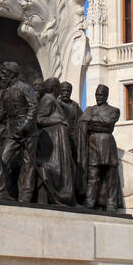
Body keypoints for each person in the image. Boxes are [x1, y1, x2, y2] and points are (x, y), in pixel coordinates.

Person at [0, 62, 39, 205]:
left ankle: (26, 194)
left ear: (12, 73)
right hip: (12, 132)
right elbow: (1, 113)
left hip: (28, 132)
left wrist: (25, 126)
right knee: (3, 159)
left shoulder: (25, 88)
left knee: (28, 164)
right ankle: (5, 192)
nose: (2, 75)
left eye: (4, 72)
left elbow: (33, 107)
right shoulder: (5, 92)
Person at [76, 85, 123, 211]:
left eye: (101, 95)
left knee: (111, 175)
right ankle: (90, 201)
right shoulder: (89, 109)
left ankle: (112, 203)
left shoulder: (114, 110)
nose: (98, 97)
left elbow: (108, 122)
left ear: (106, 95)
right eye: (97, 94)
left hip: (107, 144)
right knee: (93, 175)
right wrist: (96, 122)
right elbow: (82, 122)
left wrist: (92, 121)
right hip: (93, 145)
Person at [35, 79, 76, 208]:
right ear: (54, 88)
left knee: (70, 168)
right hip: (52, 140)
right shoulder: (47, 99)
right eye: (59, 87)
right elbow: (40, 119)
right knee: (57, 169)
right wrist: (57, 120)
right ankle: (59, 195)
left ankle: (68, 196)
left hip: (59, 140)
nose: (60, 90)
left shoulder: (53, 100)